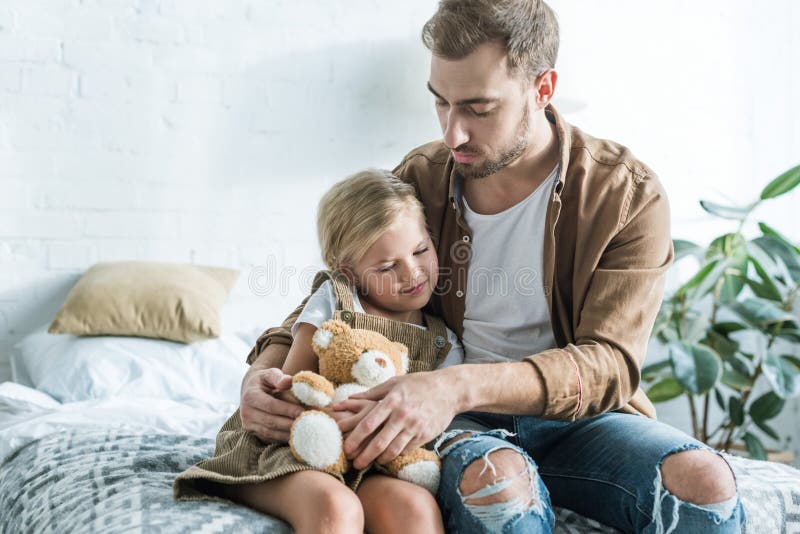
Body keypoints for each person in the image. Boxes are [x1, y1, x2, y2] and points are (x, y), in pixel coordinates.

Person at [240, 1, 745, 532]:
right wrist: (259, 376)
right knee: (499, 484)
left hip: (583, 422)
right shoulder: (423, 176)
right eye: (441, 103)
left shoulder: (624, 194)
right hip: (455, 424)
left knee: (706, 483)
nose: (453, 133)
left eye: (479, 109)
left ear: (542, 88)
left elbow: (611, 364)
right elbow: (339, 289)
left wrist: (457, 384)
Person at [174, 170, 465, 534]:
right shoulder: (336, 300)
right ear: (350, 272)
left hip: (367, 461)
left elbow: (430, 420)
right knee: (335, 507)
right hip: (290, 446)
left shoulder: (444, 343)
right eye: (387, 267)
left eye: (421, 250)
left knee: (415, 508)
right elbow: (292, 386)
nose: (413, 272)